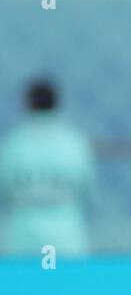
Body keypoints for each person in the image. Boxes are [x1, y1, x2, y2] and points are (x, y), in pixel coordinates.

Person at [0, 79, 93, 257]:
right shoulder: (75, 142)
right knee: (69, 284)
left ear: (28, 104)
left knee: (23, 284)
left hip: (22, 236)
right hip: (67, 237)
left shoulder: (13, 143)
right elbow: (86, 189)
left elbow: (4, 191)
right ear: (57, 103)